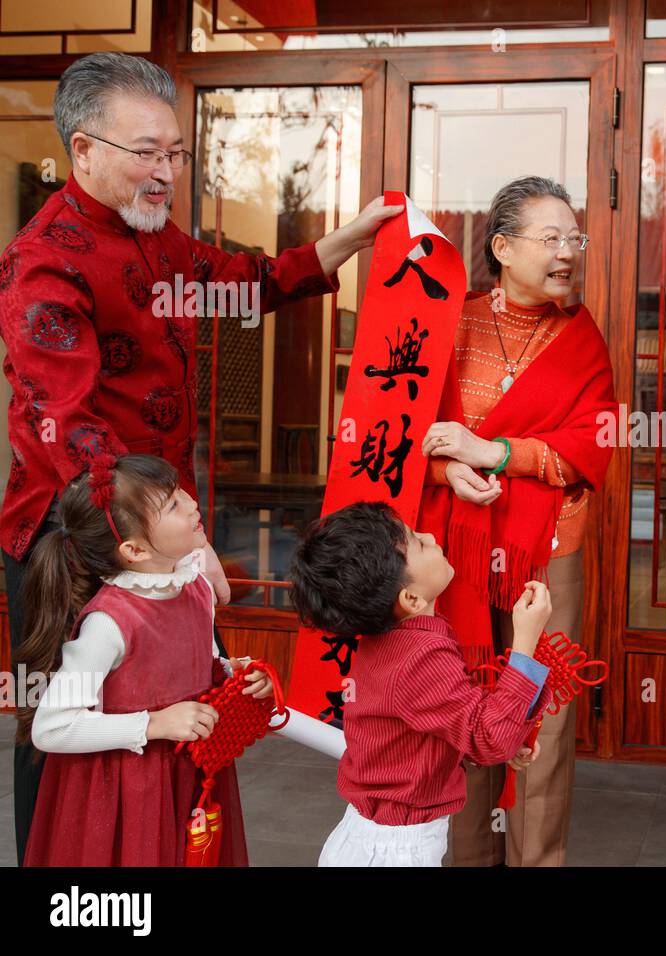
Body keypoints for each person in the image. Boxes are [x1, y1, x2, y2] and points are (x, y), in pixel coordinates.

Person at [0, 51, 399, 863]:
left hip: (155, 526)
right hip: (74, 534)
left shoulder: (158, 239)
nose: (166, 171)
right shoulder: (47, 260)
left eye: (176, 153)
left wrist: (349, 241)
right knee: (64, 732)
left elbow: (243, 281)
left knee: (164, 720)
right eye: (145, 151)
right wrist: (180, 542)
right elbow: (71, 429)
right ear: (82, 151)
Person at [416, 176, 616, 867]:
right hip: (458, 547)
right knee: (465, 702)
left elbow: (596, 442)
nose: (568, 253)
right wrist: (447, 470)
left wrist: (495, 451)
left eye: (574, 238)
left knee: (546, 716)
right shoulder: (449, 321)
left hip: (548, 546)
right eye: (551, 238)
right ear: (502, 247)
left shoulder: (581, 338)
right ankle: (468, 859)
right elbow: (401, 431)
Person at [18, 454, 273, 866]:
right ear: (133, 549)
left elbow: (195, 666)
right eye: (172, 504)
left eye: (180, 493)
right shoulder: (109, 623)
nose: (192, 503)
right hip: (126, 789)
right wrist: (154, 723)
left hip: (189, 775)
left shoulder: (197, 590)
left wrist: (233, 675)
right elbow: (52, 726)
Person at [289, 501, 553, 867]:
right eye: (419, 543)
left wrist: (507, 735)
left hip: (378, 838)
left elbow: (450, 722)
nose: (431, 536)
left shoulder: (399, 639)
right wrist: (525, 641)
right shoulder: (420, 657)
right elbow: (487, 737)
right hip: (394, 850)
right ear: (410, 598)